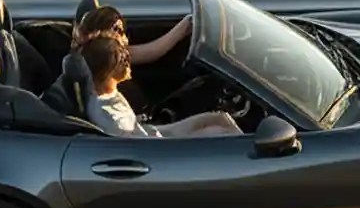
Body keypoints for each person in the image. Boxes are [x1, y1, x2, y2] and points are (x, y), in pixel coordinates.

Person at [80, 35, 240, 138]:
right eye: (119, 57)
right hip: (156, 145)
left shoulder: (109, 92)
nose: (127, 59)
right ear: (105, 70)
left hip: (151, 131)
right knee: (220, 134)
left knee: (220, 118)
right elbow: (139, 148)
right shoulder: (106, 114)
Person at [73, 3, 192, 66]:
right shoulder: (103, 57)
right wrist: (183, 28)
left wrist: (184, 27)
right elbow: (151, 52)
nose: (125, 40)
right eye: (117, 30)